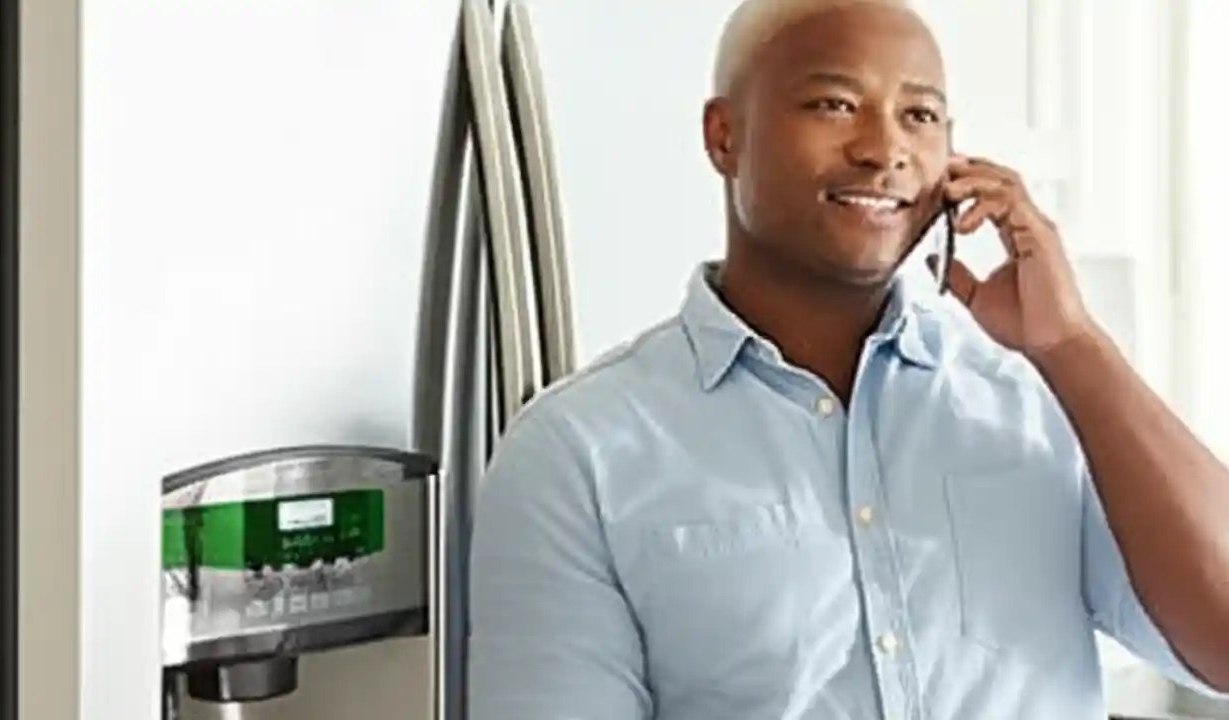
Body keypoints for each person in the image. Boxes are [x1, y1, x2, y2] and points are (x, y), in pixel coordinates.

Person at [467, 0, 1229, 717]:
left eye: (920, 115)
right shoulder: (575, 455)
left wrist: (1074, 347)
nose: (883, 149)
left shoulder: (1041, 406)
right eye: (833, 104)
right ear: (723, 137)